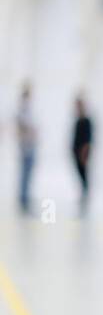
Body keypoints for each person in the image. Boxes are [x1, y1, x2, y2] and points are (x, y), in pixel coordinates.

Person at [16, 82, 36, 215]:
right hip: (25, 146)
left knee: (28, 174)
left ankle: (25, 198)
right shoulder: (22, 109)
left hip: (30, 145)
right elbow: (22, 126)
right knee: (25, 174)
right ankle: (23, 200)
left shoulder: (28, 108)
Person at [71, 93, 93, 213]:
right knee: (80, 175)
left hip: (83, 153)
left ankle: (85, 196)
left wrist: (84, 154)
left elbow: (88, 140)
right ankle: (82, 194)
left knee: (84, 175)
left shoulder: (86, 120)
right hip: (76, 153)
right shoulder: (78, 119)